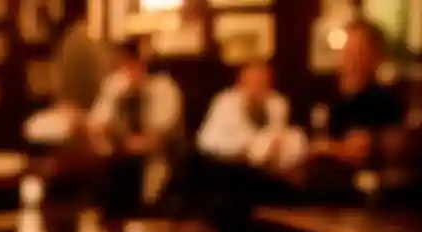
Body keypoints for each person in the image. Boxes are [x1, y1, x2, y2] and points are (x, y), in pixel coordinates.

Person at [87, 37, 185, 216]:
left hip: (158, 159)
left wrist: (128, 145)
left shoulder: (164, 88)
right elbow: (96, 125)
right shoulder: (115, 84)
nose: (131, 70)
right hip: (119, 158)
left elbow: (157, 138)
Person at [312, 19, 407, 167]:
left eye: (359, 52)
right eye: (347, 50)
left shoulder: (386, 102)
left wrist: (327, 148)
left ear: (375, 58)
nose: (351, 59)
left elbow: (359, 150)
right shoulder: (322, 94)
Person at [197, 61, 293, 167]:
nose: (259, 82)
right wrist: (244, 147)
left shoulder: (277, 103)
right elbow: (207, 141)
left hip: (267, 162)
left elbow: (277, 133)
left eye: (263, 78)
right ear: (242, 80)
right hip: (227, 162)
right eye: (254, 78)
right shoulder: (225, 102)